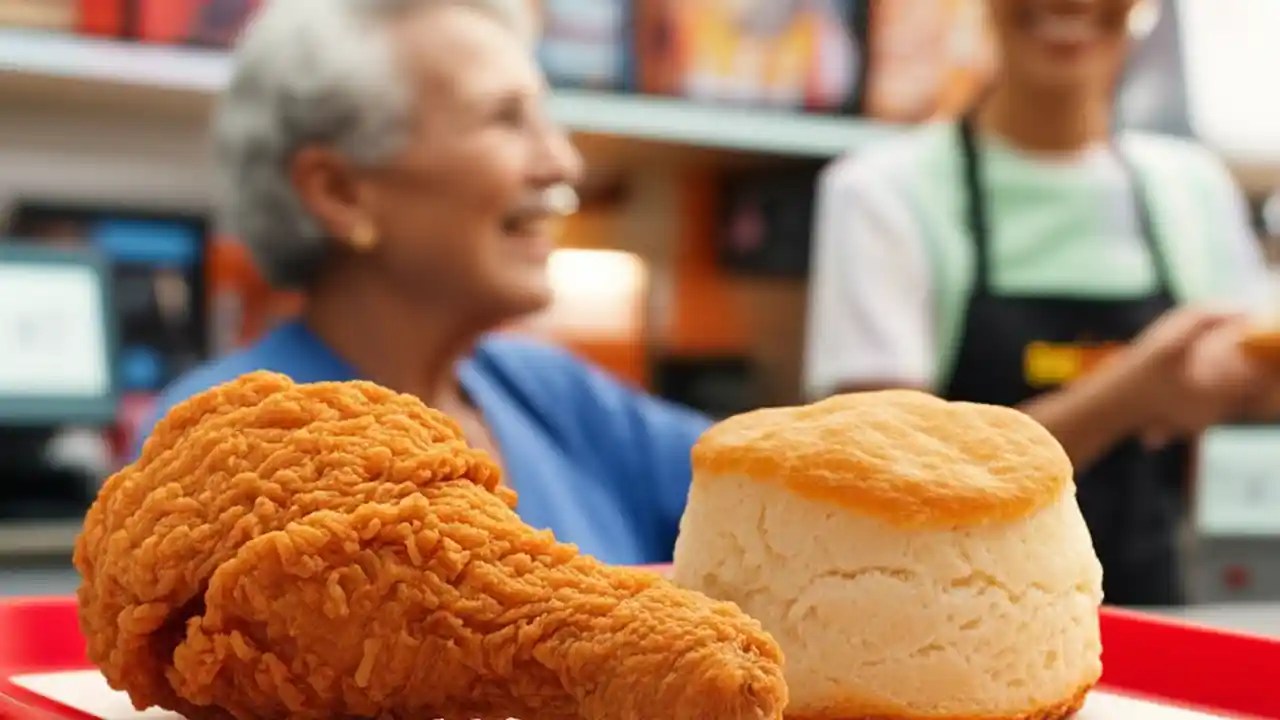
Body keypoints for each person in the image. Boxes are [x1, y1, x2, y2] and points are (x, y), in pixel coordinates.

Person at [134, 0, 710, 566]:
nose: (563, 163)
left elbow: (765, 480)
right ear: (340, 192)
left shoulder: (547, 390)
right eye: (505, 118)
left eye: (544, 119)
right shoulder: (225, 441)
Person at [804, 0, 1280, 606]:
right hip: (949, 625)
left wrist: (1235, 386)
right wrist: (1129, 394)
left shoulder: (1191, 188)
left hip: (1152, 616)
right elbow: (884, 480)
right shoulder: (883, 194)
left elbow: (1254, 392)